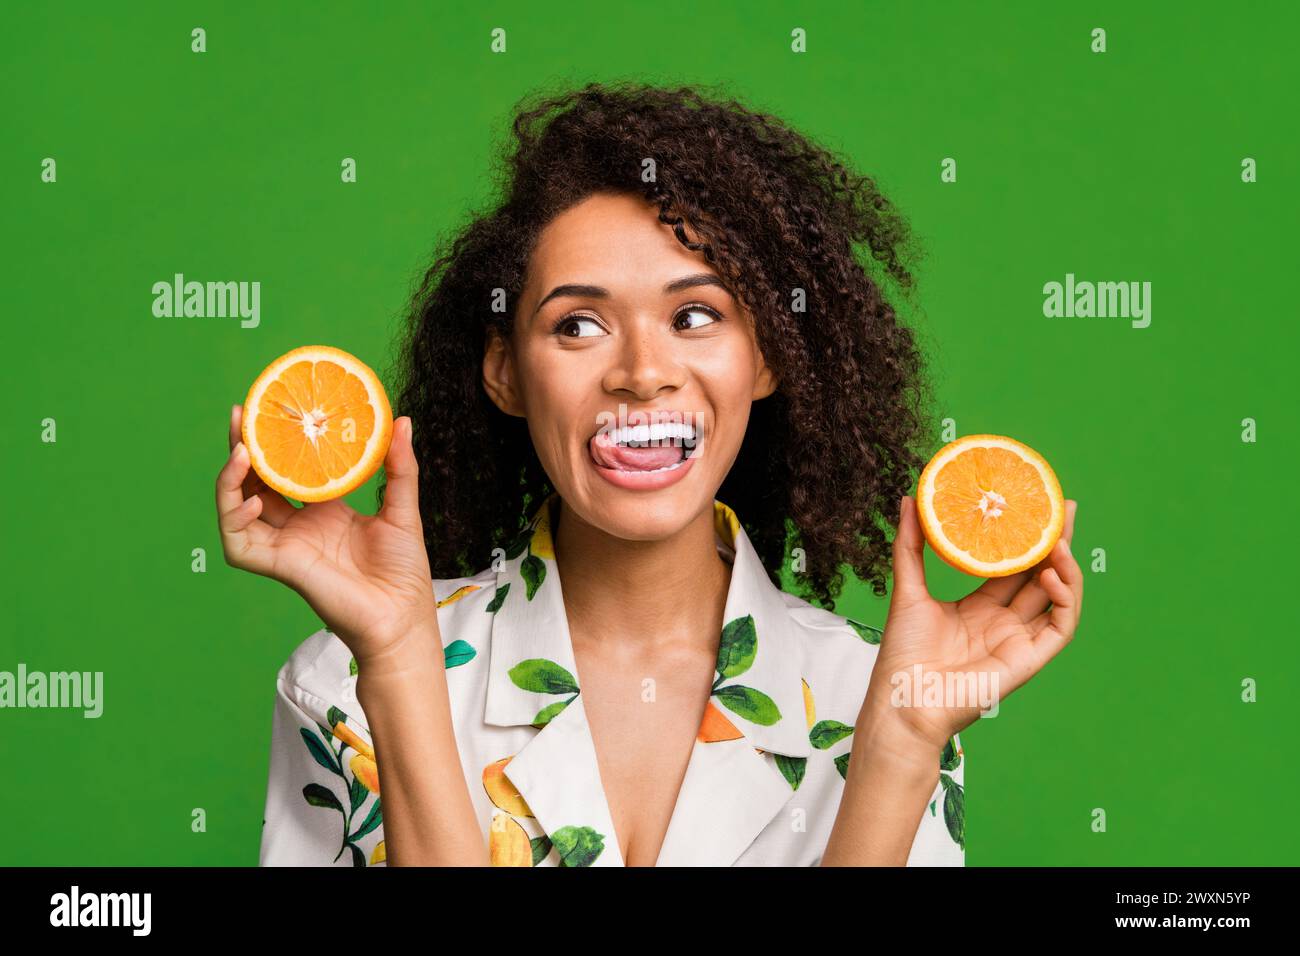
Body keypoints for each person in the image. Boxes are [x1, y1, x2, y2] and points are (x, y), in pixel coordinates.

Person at [217, 81, 1083, 867]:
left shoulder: (885, 693)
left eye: (695, 315)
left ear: (768, 360)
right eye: (579, 326)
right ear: (505, 373)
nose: (642, 370)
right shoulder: (342, 684)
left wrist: (896, 742)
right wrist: (402, 663)